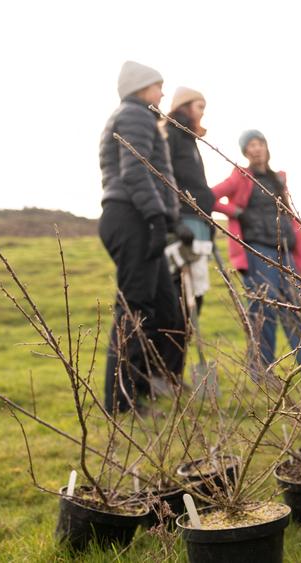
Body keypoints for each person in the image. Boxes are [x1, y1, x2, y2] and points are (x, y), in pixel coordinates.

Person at [211, 130, 301, 379]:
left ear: (267, 147)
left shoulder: (278, 180)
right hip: (257, 250)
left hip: (284, 251)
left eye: (259, 144)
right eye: (251, 146)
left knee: (298, 308)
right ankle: (261, 371)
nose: (256, 149)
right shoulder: (241, 176)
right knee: (263, 310)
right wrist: (235, 211)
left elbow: (289, 216)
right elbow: (210, 196)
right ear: (246, 152)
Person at [98, 60, 185, 412]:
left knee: (166, 310)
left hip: (138, 217)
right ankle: (120, 401)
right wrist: (155, 217)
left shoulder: (136, 115)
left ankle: (146, 384)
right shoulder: (135, 115)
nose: (163, 93)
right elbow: (135, 172)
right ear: (140, 87)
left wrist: (166, 220)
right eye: (157, 86)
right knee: (134, 310)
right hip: (133, 217)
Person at [164, 87, 215, 322]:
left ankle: (181, 350)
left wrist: (208, 219)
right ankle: (172, 351)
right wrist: (173, 222)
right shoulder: (170, 135)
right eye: (200, 107)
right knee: (178, 292)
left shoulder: (190, 139)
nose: (203, 113)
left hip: (198, 224)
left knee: (197, 292)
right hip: (181, 224)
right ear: (185, 106)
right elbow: (164, 177)